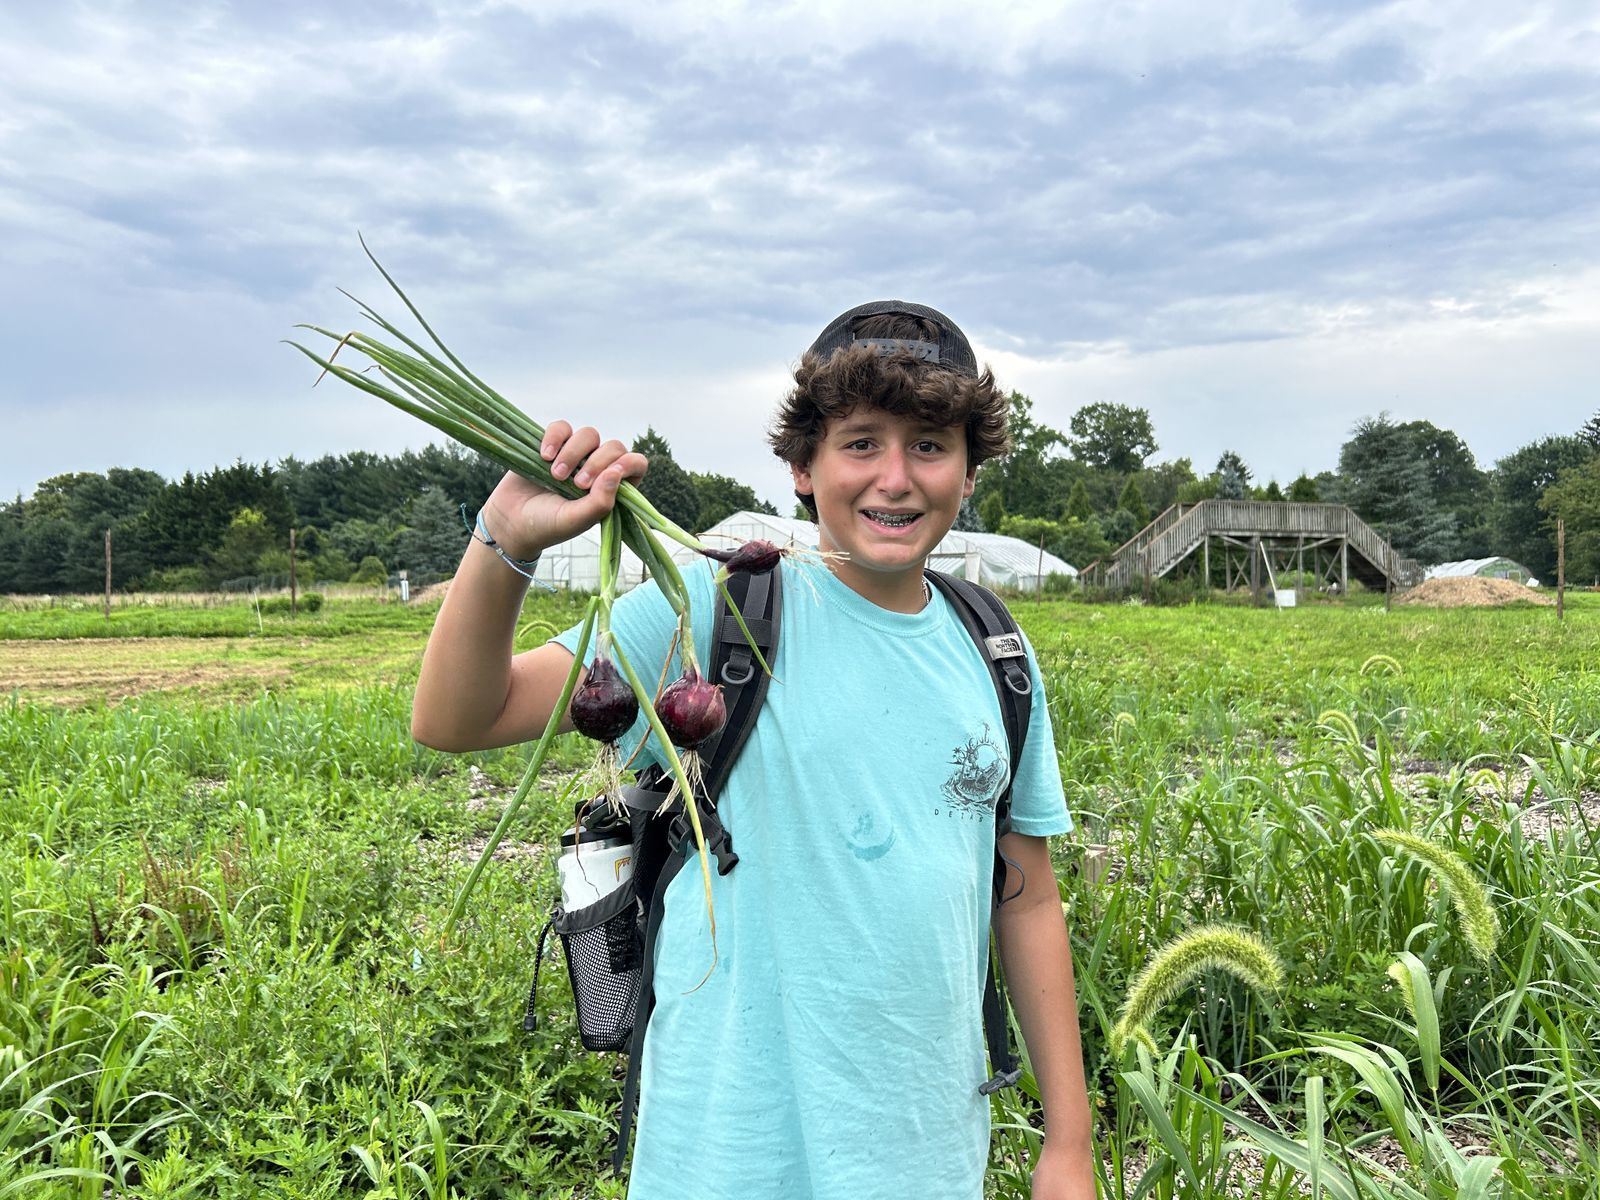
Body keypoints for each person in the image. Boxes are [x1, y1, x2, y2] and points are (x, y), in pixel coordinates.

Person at [411, 301, 1096, 1199]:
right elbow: (460, 717)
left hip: (923, 1149)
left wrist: (1070, 1143)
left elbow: (1029, 899)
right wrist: (504, 540)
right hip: (724, 1148)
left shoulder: (994, 649)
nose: (895, 477)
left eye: (930, 445)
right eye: (860, 443)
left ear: (969, 472)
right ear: (801, 466)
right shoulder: (714, 608)